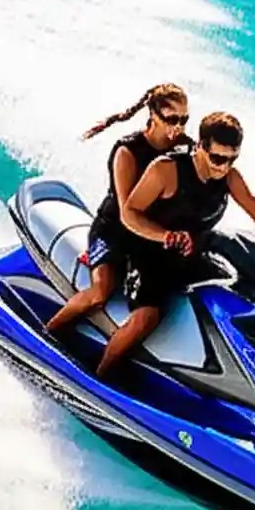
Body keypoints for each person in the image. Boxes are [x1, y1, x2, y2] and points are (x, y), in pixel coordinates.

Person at [96, 111, 255, 377]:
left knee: (240, 285)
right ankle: (102, 374)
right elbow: (129, 213)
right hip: (149, 252)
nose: (223, 167)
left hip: (191, 253)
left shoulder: (229, 177)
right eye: (218, 158)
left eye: (231, 159)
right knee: (147, 317)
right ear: (200, 146)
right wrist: (165, 235)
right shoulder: (166, 170)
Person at [43, 84, 193, 335]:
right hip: (114, 232)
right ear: (153, 116)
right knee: (100, 293)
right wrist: (164, 236)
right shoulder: (127, 151)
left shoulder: (184, 147)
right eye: (171, 119)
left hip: (149, 237)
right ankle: (49, 332)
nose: (178, 127)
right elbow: (126, 211)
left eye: (184, 119)